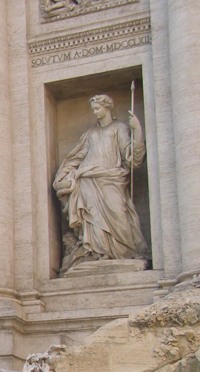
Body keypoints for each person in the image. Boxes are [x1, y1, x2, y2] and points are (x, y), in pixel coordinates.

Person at [53, 94, 147, 271]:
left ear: (107, 107)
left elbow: (132, 158)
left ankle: (125, 252)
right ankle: (98, 253)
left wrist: (138, 131)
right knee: (93, 218)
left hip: (112, 178)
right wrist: (63, 175)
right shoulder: (90, 134)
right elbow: (76, 157)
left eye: (97, 108)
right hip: (88, 180)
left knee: (119, 213)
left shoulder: (119, 128)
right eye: (93, 109)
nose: (95, 112)